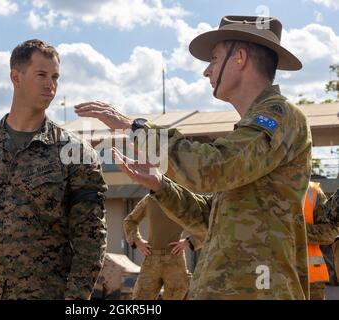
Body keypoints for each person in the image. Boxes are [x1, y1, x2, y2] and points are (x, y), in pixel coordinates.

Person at [75, 15, 311, 299]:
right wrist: (161, 185)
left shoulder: (279, 115)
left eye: (214, 58)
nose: (206, 71)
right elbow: (208, 218)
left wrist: (134, 127)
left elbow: (212, 168)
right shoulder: (250, 134)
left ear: (239, 58)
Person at [0, 39, 108, 300]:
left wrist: (76, 296)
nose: (51, 85)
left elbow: (90, 236)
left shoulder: (76, 154)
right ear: (16, 77)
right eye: (42, 75)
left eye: (55, 77)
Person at [123, 194, 206, 300]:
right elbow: (130, 221)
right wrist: (137, 240)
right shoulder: (150, 200)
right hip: (151, 260)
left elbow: (204, 226)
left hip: (175, 261)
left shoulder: (184, 200)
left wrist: (188, 241)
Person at [303, 182, 339, 299]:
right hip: (269, 275)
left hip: (310, 280)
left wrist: (296, 231)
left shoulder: (312, 191)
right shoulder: (257, 188)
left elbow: (331, 231)